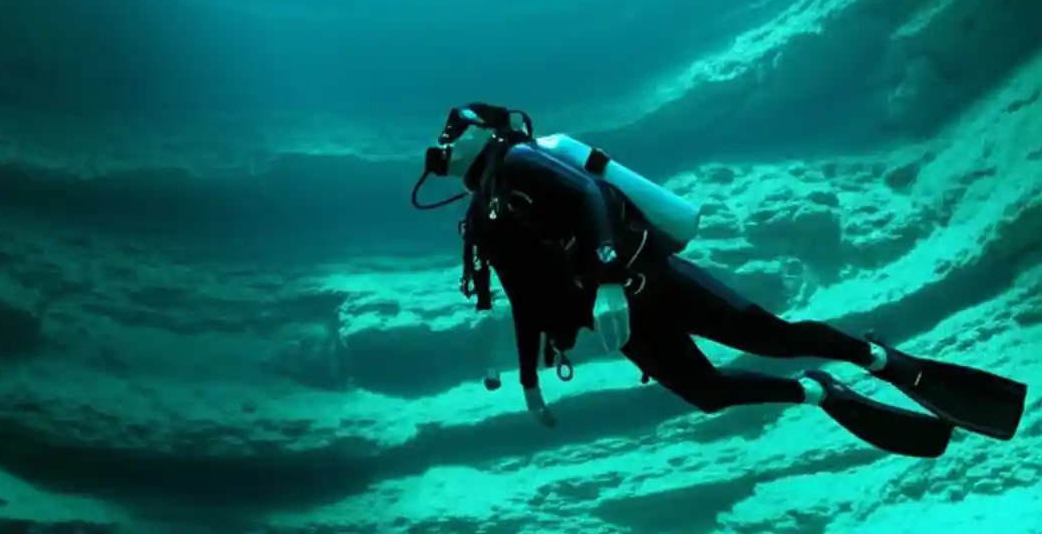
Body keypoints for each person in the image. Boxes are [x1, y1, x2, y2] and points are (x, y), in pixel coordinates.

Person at [411, 103, 1027, 457]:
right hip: (626, 327)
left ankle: (875, 358)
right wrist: (529, 381)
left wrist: (603, 283)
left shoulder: (521, 159)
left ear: (483, 132)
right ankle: (820, 392)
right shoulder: (479, 218)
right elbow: (522, 296)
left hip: (650, 283)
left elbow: (593, 195)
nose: (443, 138)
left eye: (453, 125)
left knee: (770, 338)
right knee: (708, 393)